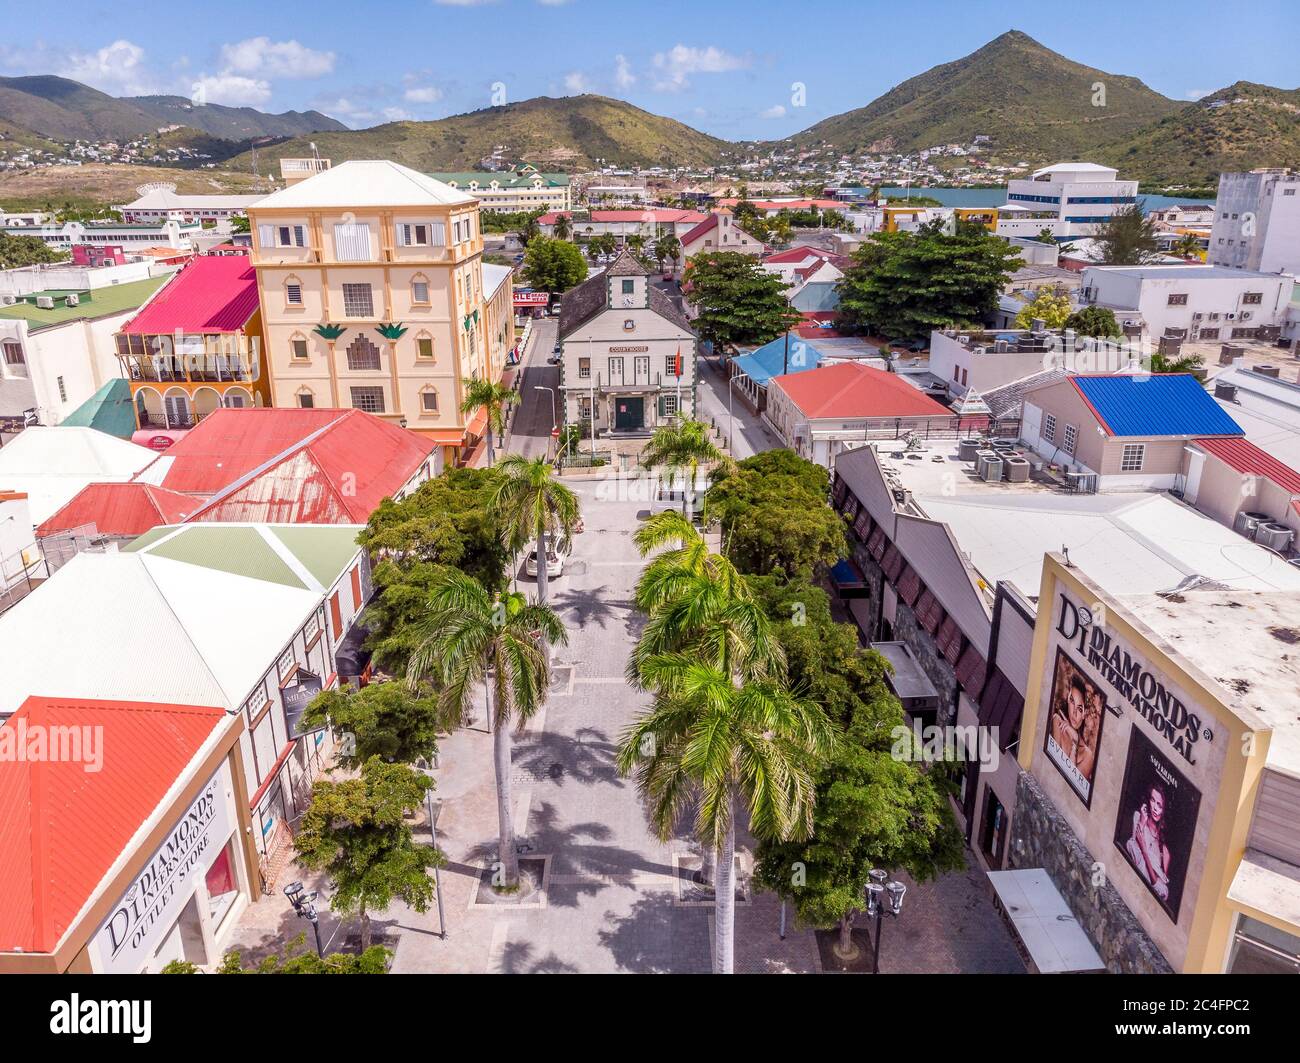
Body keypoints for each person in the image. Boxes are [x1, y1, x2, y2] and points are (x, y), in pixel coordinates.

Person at [1124, 783, 1172, 902]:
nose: (1155, 808)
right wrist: (1141, 824)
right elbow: (1132, 853)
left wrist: (1145, 851)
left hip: (1142, 898)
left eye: (1160, 805)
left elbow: (1159, 890)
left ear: (1164, 810)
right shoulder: (1138, 819)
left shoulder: (1164, 852)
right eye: (1153, 800)